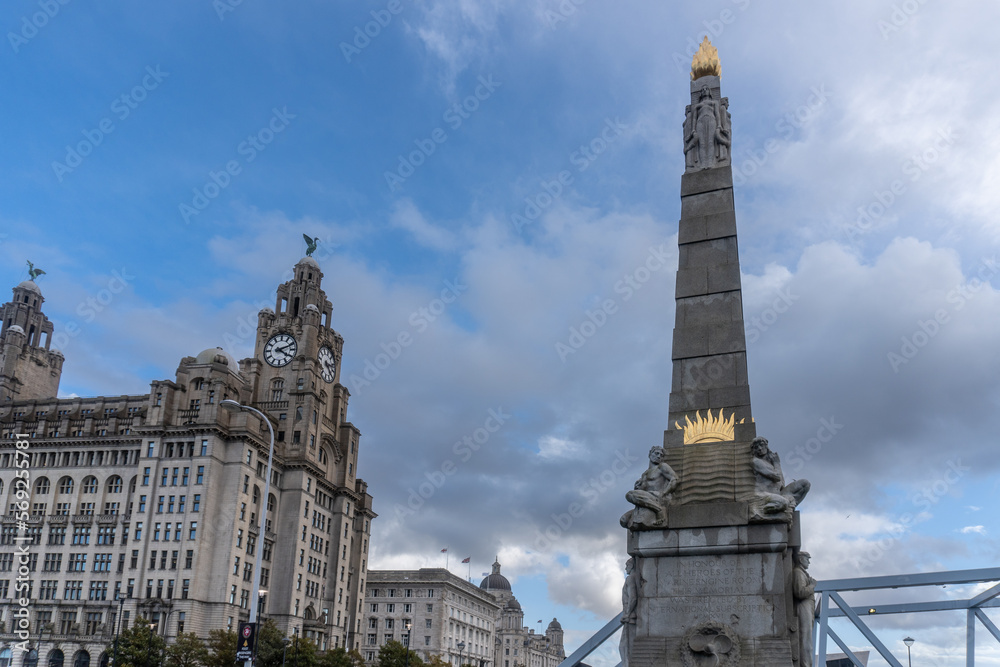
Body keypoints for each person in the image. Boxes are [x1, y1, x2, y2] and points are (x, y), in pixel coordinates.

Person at [750, 437, 809, 518]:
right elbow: (776, 477)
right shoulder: (756, 462)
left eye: (761, 445)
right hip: (763, 495)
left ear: (766, 446)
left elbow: (781, 482)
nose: (760, 448)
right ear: (753, 451)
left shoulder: (770, 460)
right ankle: (781, 507)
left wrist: (776, 463)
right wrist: (776, 463)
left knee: (805, 484)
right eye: (756, 447)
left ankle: (788, 506)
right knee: (783, 502)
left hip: (777, 493)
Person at [622, 447, 678, 529]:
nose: (659, 456)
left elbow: (675, 479)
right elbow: (643, 492)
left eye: (661, 455)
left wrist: (664, 493)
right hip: (647, 499)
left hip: (656, 496)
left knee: (629, 494)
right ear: (650, 454)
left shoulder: (662, 466)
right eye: (656, 453)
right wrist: (637, 487)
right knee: (623, 520)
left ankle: (659, 510)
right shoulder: (644, 474)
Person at [793, 551, 817, 667]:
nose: (809, 562)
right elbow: (799, 592)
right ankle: (805, 665)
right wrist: (812, 586)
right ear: (801, 560)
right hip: (803, 608)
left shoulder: (802, 573)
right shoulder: (798, 573)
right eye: (807, 559)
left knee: (807, 639)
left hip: (807, 608)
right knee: (805, 639)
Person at [619, 558, 638, 667]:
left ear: (631, 566)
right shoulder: (636, 577)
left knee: (624, 647)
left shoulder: (630, 578)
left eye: (627, 565)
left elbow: (633, 597)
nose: (625, 568)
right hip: (631, 616)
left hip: (630, 617)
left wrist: (627, 614)